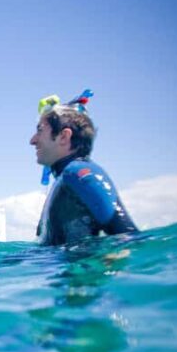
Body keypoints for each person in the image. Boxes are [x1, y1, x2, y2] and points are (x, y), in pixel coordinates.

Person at [31, 90, 137, 246]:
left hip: (80, 269)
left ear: (64, 137)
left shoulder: (79, 173)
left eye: (40, 130)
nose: (32, 140)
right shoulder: (65, 180)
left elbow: (129, 239)